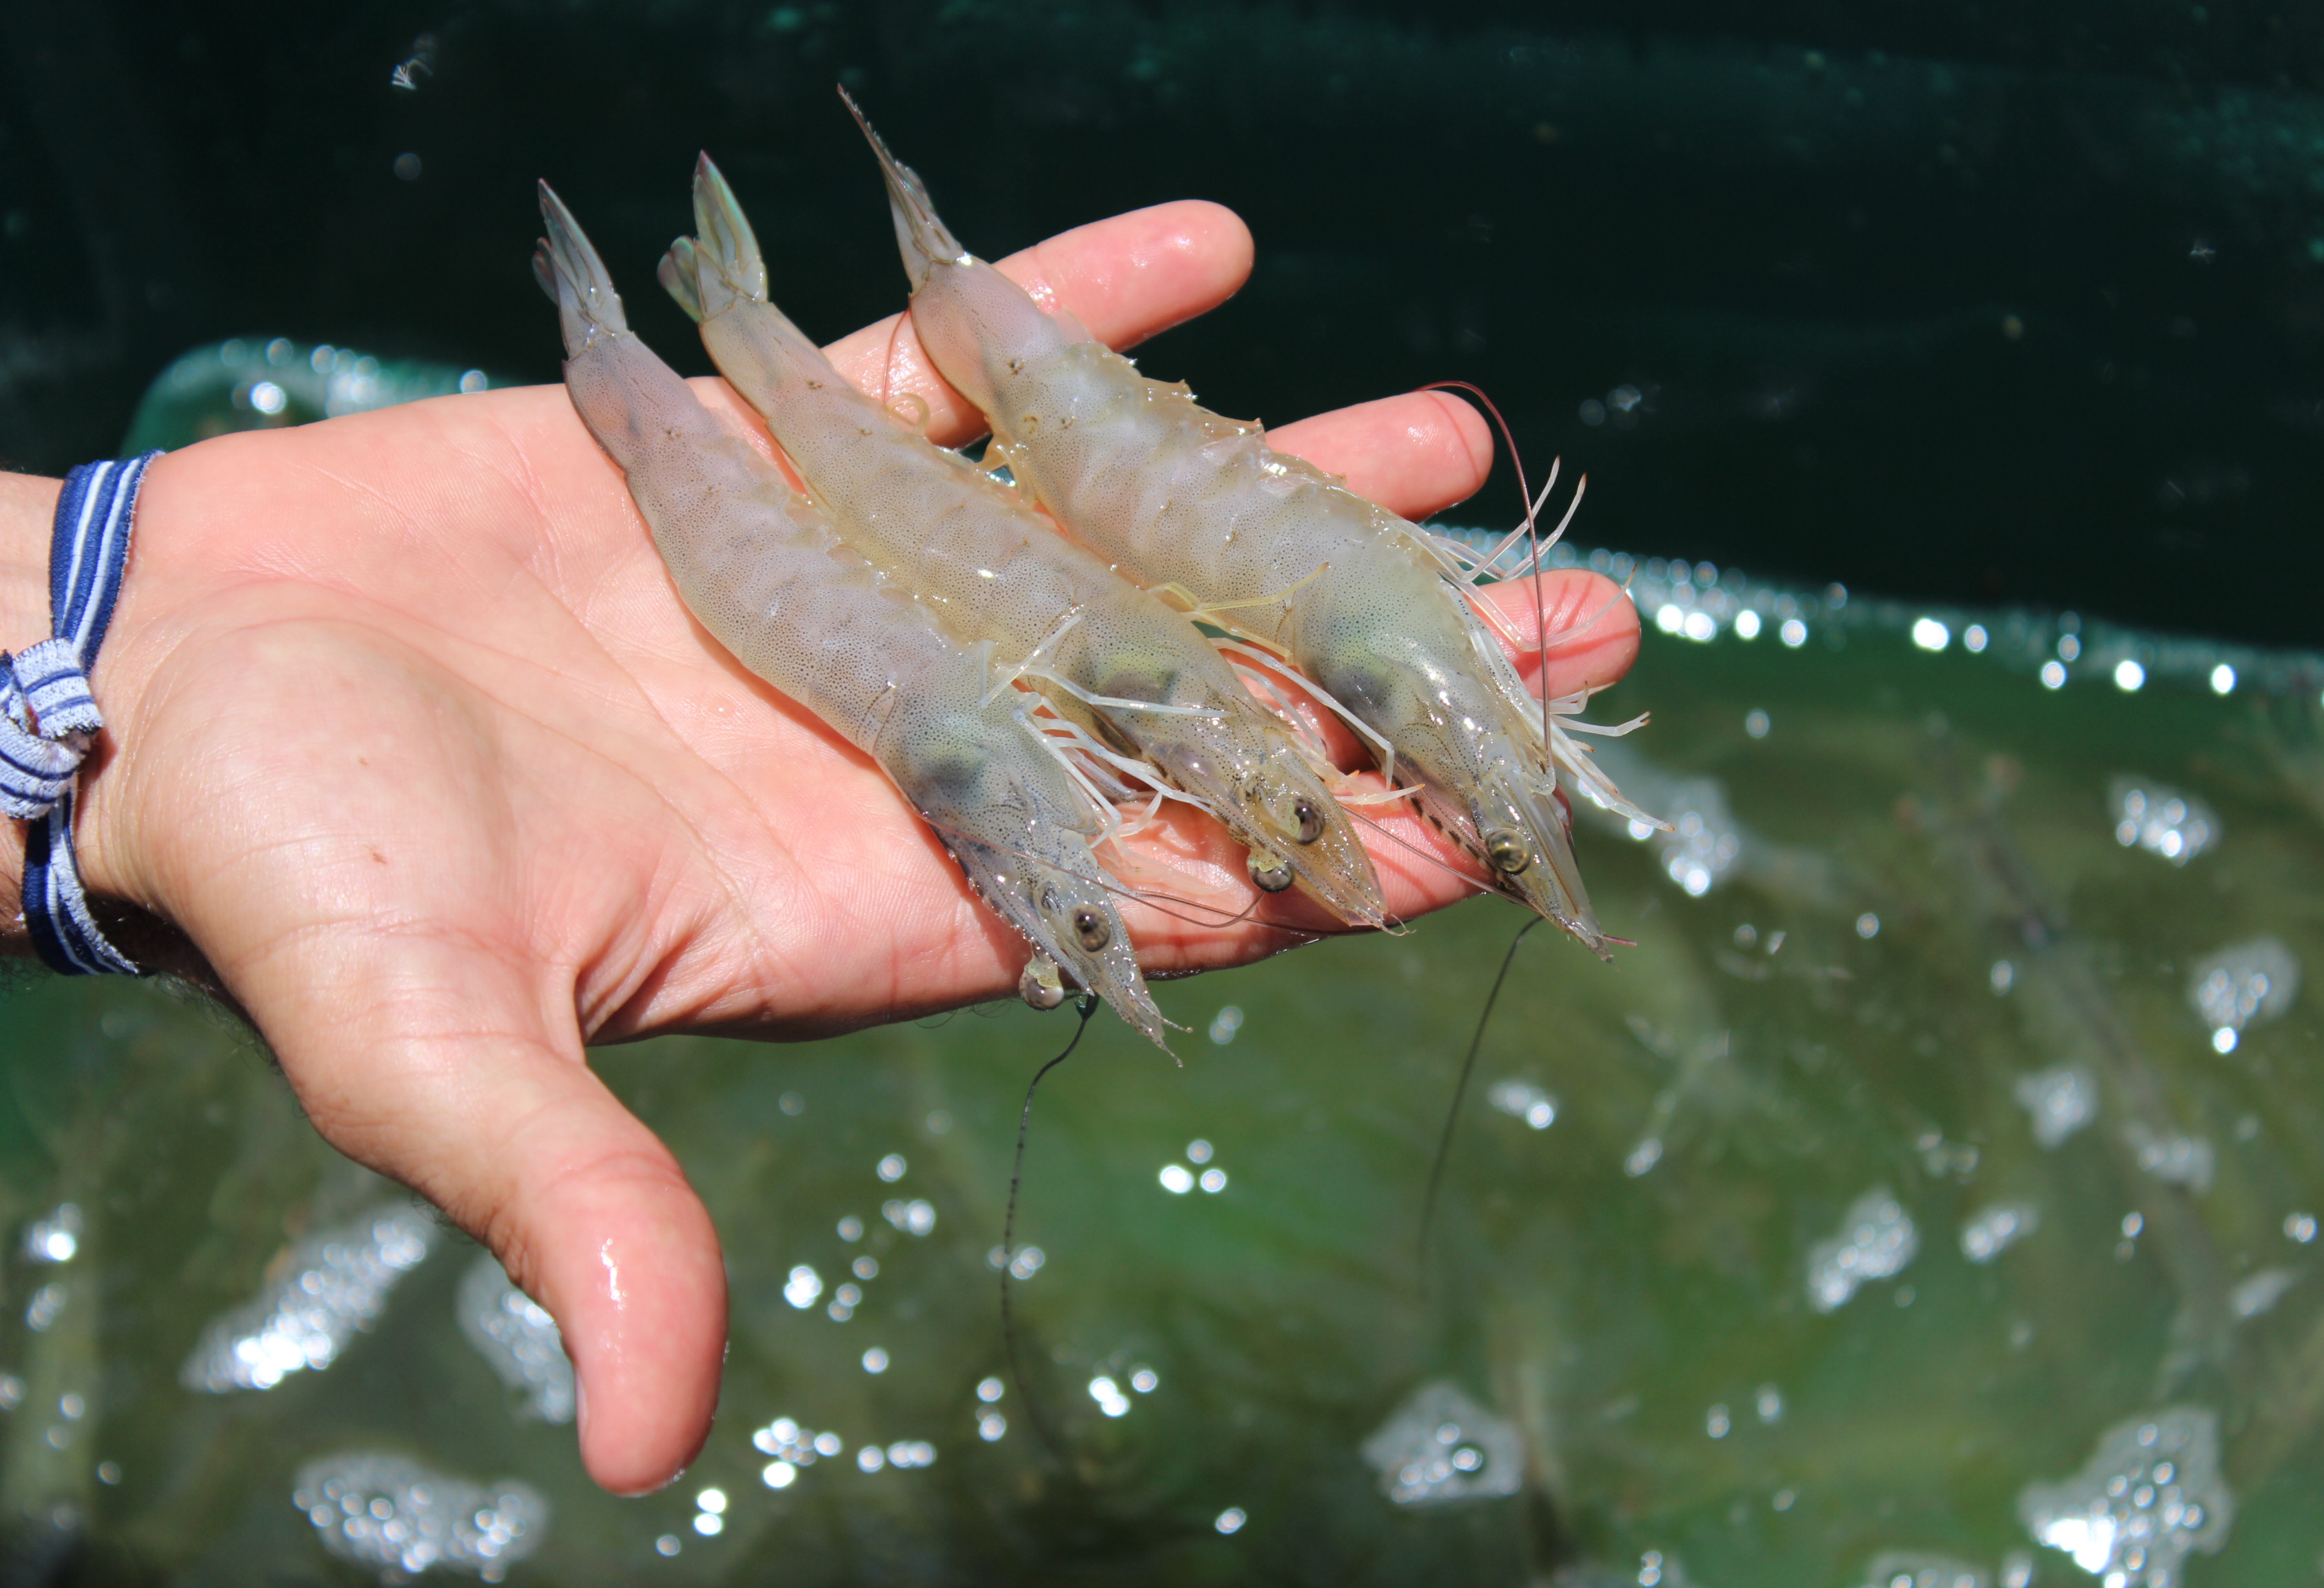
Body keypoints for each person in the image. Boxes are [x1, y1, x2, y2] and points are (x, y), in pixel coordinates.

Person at [0, 199, 1640, 1494]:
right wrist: (103, 665)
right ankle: (684, 321)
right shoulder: (1081, 701)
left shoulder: (1137, 691)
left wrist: (113, 614)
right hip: (838, 565)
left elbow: (1096, 692)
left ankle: (722, 310)